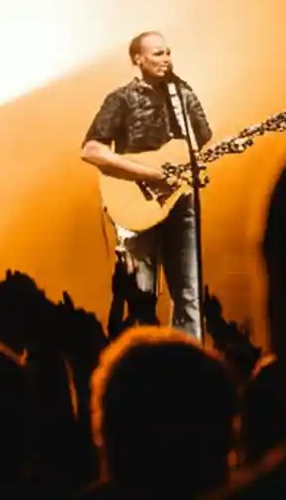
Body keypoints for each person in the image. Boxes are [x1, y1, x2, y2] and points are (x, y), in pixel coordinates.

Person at [81, 31, 211, 339]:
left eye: (168, 52)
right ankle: (146, 363)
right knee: (142, 293)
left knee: (189, 292)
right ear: (137, 59)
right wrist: (148, 174)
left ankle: (189, 363)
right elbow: (91, 150)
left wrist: (189, 164)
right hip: (137, 203)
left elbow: (201, 139)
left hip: (180, 200)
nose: (166, 58)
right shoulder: (121, 99)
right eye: (157, 53)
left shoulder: (183, 94)